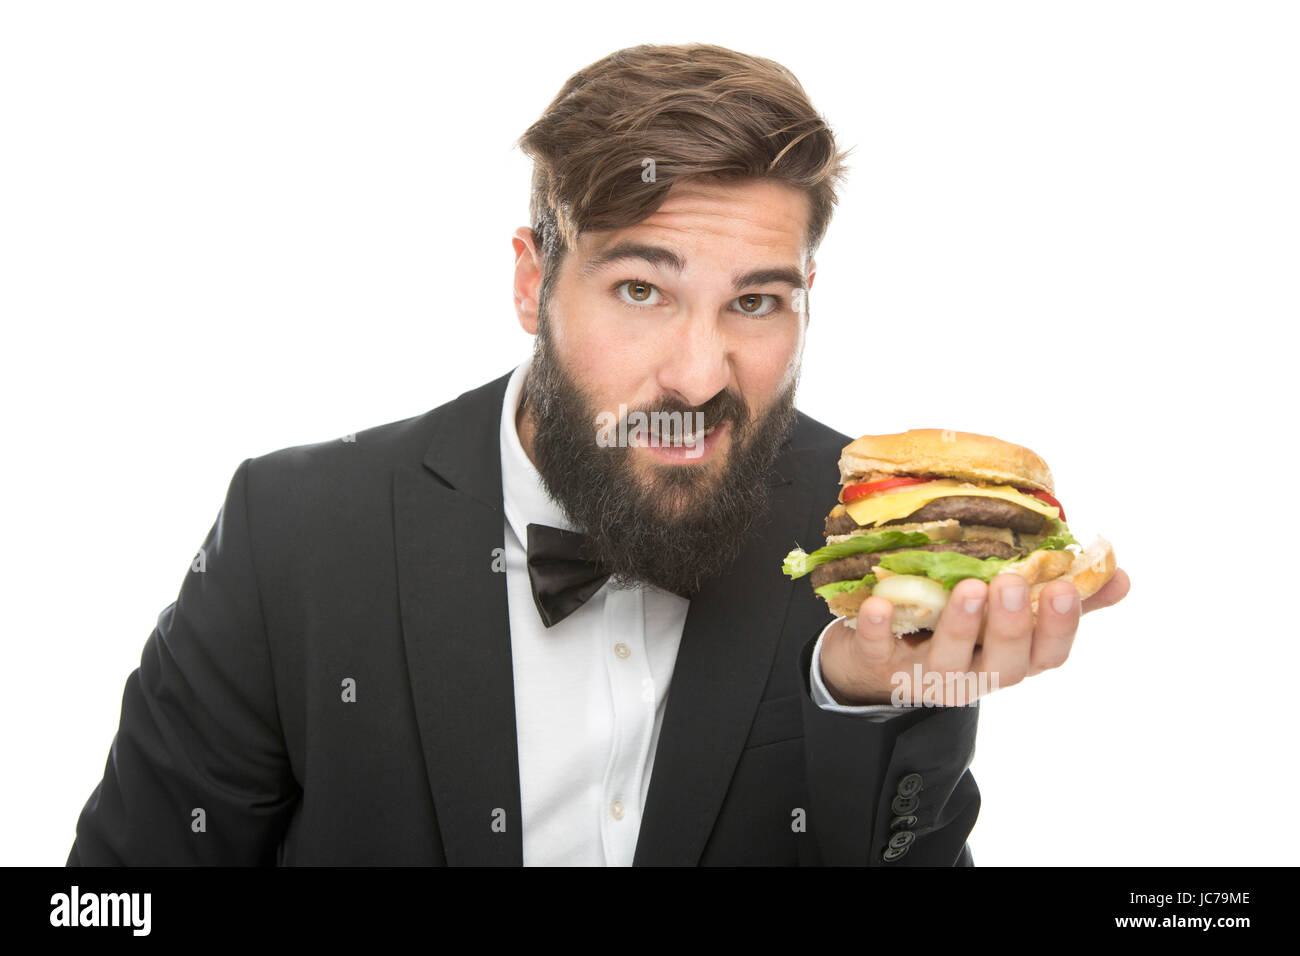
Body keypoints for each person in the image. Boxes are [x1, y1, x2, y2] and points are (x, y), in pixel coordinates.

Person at [67, 42, 1129, 867]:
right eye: (640, 289)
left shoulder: (865, 534)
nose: (699, 375)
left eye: (754, 301)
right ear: (533, 281)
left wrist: (879, 697)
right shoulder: (295, 530)